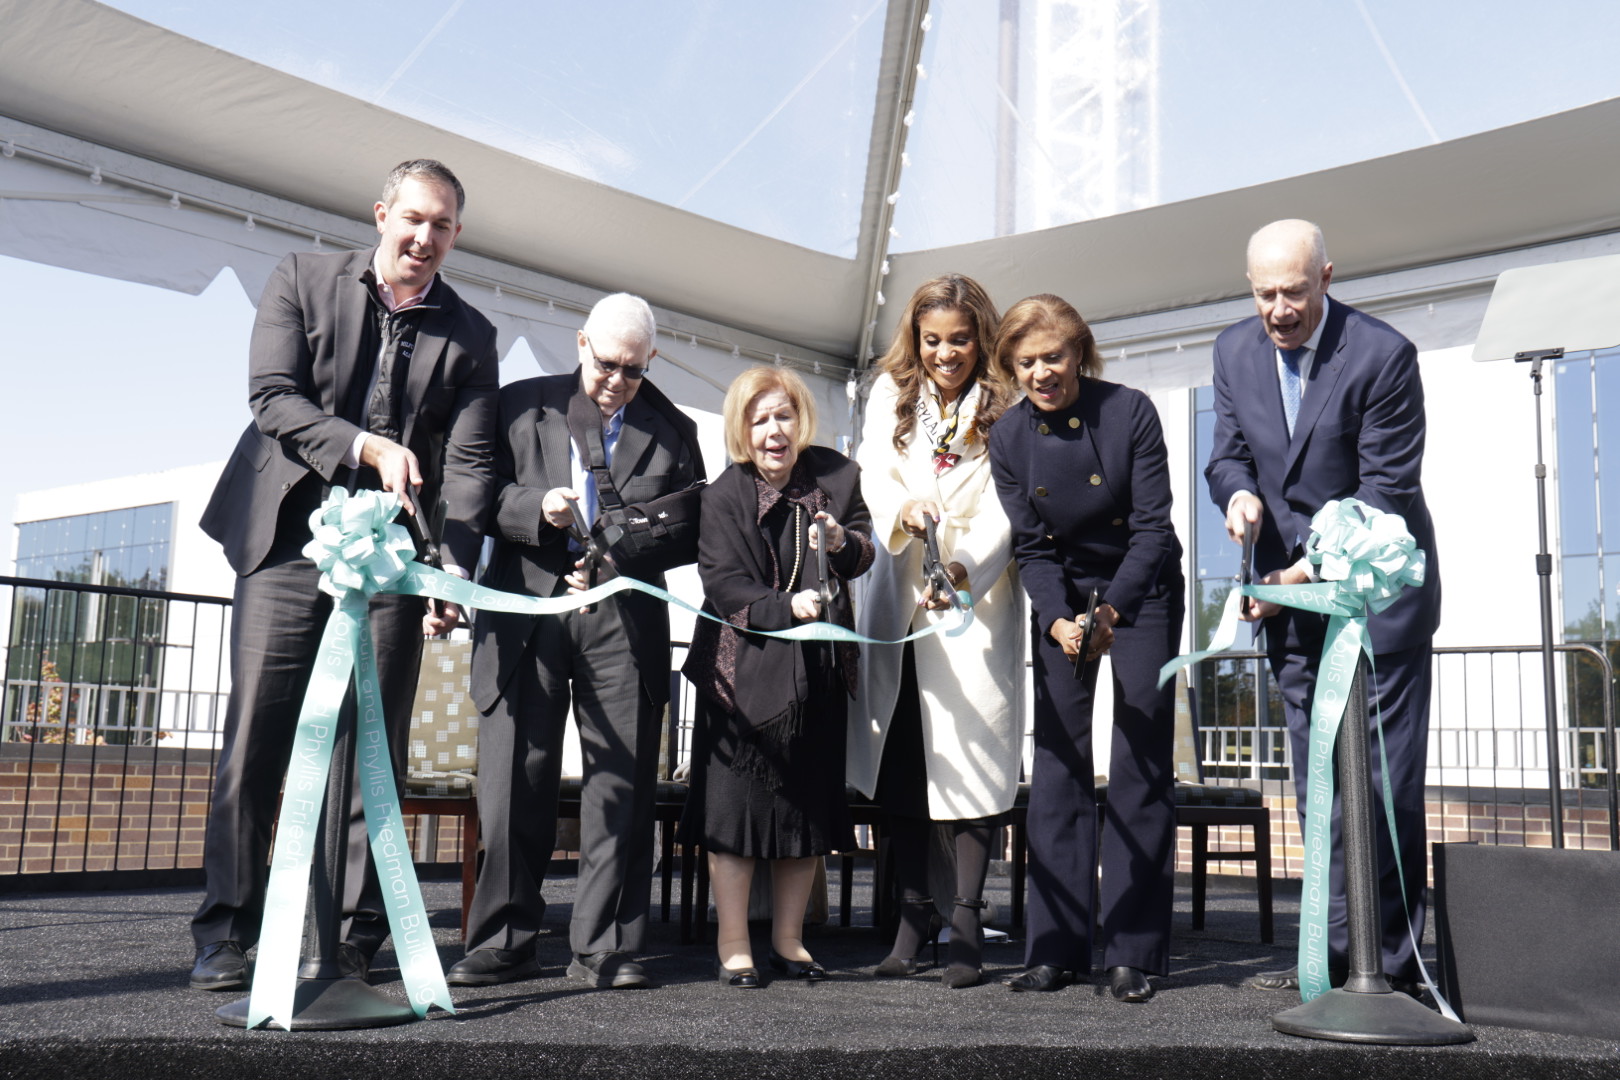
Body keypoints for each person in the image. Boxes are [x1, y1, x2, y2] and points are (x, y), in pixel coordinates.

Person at [191, 159, 498, 990]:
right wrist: (366, 447)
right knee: (256, 738)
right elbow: (272, 397)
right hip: (286, 542)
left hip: (391, 559)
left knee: (373, 749)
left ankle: (353, 934)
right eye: (414, 219)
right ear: (381, 215)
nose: (425, 237)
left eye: (442, 226)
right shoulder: (300, 278)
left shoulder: (473, 336)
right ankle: (227, 931)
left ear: (456, 236)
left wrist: (450, 567)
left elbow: (471, 465)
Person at [1206, 219, 1439, 995]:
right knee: (1321, 788)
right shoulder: (1233, 352)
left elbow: (1384, 493)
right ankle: (1336, 956)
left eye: (1294, 292)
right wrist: (1237, 495)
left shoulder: (1383, 356)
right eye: (1264, 294)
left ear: (1327, 278)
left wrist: (1302, 572)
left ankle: (1395, 965)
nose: (1279, 310)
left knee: (1380, 787)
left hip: (1378, 609)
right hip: (1294, 614)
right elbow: (1228, 454)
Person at [446, 293, 704, 990]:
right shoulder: (517, 405)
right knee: (512, 779)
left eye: (633, 369)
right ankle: (503, 941)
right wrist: (538, 508)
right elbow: (474, 492)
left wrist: (628, 544)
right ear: (581, 342)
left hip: (623, 615)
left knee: (620, 785)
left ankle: (607, 948)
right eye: (607, 363)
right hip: (525, 607)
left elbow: (691, 527)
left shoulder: (674, 429)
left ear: (651, 361)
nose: (617, 380)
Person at [988, 294, 1183, 1004]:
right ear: (1011, 367)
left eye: (1054, 357)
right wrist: (1056, 620)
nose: (1042, 373)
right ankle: (1054, 949)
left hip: (1143, 586)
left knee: (1139, 758)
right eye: (1026, 362)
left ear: (1079, 354)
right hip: (1064, 589)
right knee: (1059, 762)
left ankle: (1133, 953)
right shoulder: (1007, 437)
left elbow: (1154, 529)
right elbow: (1032, 547)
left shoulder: (1129, 411)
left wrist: (1111, 612)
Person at [848, 274, 1024, 989]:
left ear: (981, 338)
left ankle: (967, 921)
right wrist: (902, 508)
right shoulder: (891, 396)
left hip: (974, 609)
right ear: (914, 341)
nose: (946, 353)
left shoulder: (1009, 405)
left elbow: (1008, 510)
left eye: (959, 340)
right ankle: (913, 917)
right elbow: (874, 472)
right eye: (932, 340)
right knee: (905, 771)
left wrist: (961, 566)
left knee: (974, 765)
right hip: (901, 600)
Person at [682, 366, 874, 988]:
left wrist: (841, 542)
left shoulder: (839, 477)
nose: (774, 431)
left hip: (817, 673)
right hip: (739, 678)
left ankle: (791, 943)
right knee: (734, 818)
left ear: (802, 421)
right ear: (742, 429)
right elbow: (723, 585)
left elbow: (865, 551)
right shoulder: (721, 495)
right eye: (760, 419)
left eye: (784, 416)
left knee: (805, 815)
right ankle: (734, 944)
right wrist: (786, 607)